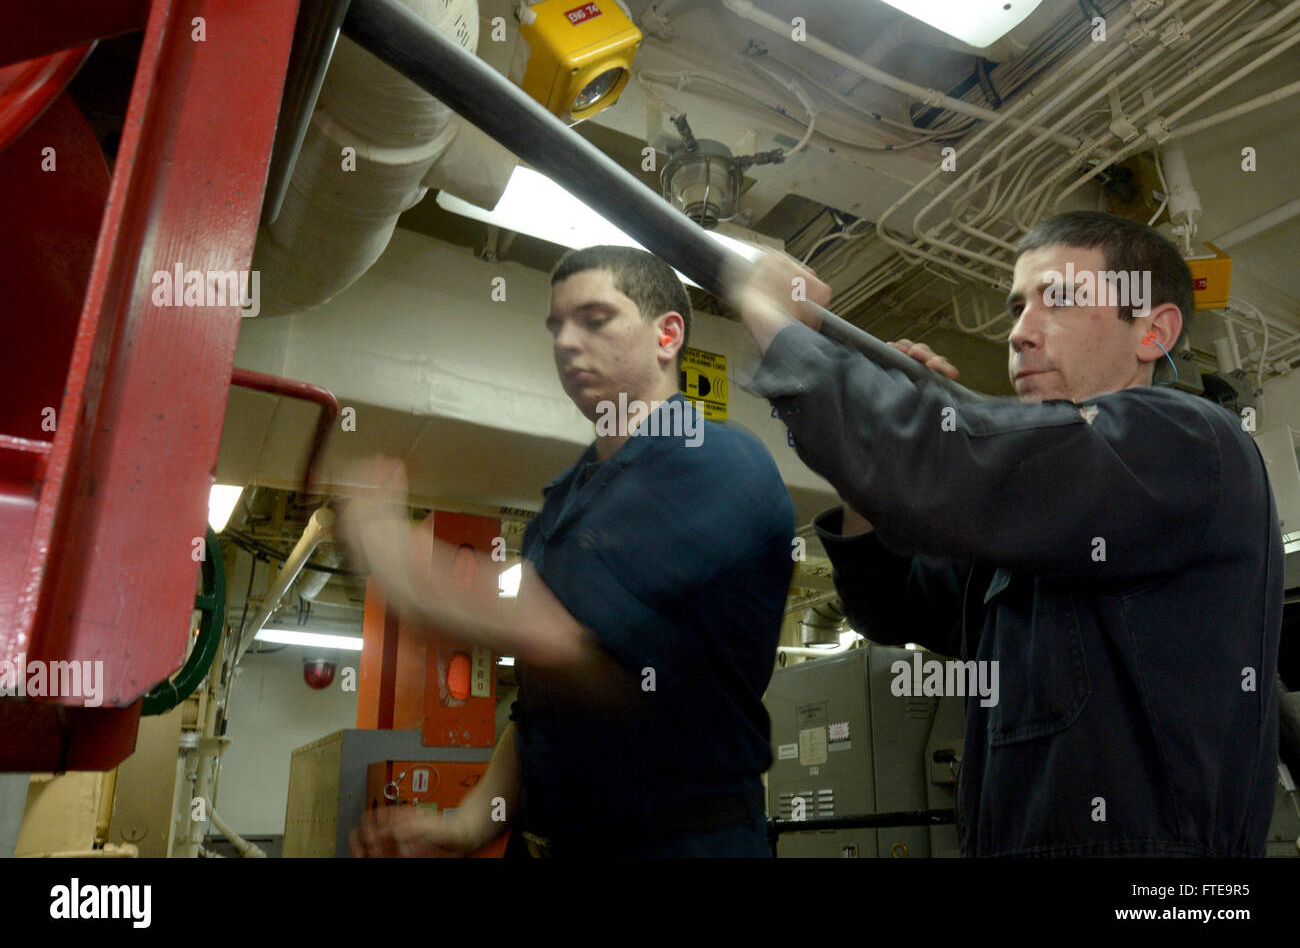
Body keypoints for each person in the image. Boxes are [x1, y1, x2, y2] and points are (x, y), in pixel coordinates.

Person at [729, 210, 1282, 856]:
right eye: (1018, 308)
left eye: (1060, 300)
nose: (1020, 333)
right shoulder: (1048, 510)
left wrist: (775, 325)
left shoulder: (1185, 440)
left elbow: (947, 467)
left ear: (1153, 333)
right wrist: (873, 479)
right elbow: (889, 605)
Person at [345, 245, 795, 858]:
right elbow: (540, 703)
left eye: (595, 318)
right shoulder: (562, 505)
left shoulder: (717, 463)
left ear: (668, 335)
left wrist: (397, 556)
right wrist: (467, 825)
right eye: (557, 325)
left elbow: (558, 637)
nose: (564, 341)